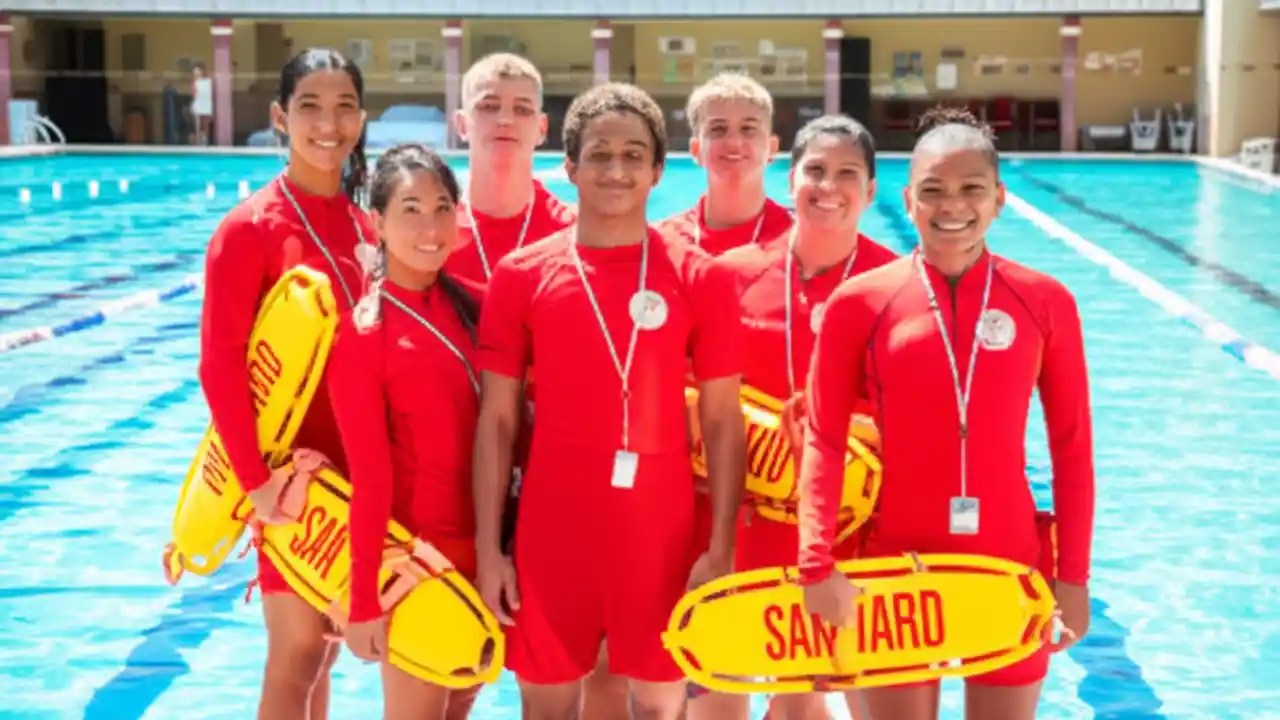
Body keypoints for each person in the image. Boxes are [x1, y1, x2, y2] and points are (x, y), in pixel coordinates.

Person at [796, 106, 1095, 720]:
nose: (951, 206)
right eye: (932, 190)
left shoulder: (1044, 302)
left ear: (999, 199)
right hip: (893, 560)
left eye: (971, 190)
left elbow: (1071, 446)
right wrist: (816, 562)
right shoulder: (862, 302)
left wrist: (1074, 577)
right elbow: (824, 437)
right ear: (908, 200)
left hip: (1009, 559)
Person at [472, 82, 746, 720]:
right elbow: (497, 421)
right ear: (569, 168)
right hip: (553, 529)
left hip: (660, 533)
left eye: (633, 154)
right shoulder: (521, 275)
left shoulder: (700, 277)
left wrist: (723, 547)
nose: (616, 170)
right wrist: (491, 551)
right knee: (547, 708)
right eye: (599, 154)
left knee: (659, 707)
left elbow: (723, 420)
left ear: (657, 168)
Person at [579, 71, 795, 720]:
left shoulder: (806, 245)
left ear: (773, 145)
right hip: (673, 509)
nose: (735, 143)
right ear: (693, 149)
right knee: (668, 684)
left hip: (774, 511)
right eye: (718, 130)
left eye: (749, 129)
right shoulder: (657, 248)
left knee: (790, 694)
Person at [194, 48, 371, 720]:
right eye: (310, 108)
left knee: (323, 649)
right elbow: (219, 365)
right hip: (287, 479)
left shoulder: (365, 227)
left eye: (344, 107)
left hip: (355, 469)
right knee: (295, 652)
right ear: (279, 117)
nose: (329, 123)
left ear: (361, 116)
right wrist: (257, 485)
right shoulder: (249, 229)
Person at [701, 115, 897, 720]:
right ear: (789, 180)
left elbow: (922, 416)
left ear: (870, 191)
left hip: (849, 528)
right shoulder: (731, 277)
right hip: (741, 518)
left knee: (824, 693)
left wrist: (858, 429)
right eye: (814, 171)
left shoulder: (897, 285)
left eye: (847, 174)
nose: (828, 187)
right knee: (715, 690)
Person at [327, 143, 483, 720]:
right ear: (376, 222)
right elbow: (371, 478)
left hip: (483, 556)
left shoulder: (475, 308)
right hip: (416, 564)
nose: (431, 226)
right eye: (411, 209)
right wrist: (365, 600)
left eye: (443, 207)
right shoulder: (364, 337)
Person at [448, 52, 576, 290]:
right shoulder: (434, 231)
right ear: (462, 124)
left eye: (523, 109)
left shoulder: (572, 231)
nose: (505, 119)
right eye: (489, 106)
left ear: (541, 128)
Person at [190, 62, 213, 145]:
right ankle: (198, 142)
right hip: (198, 104)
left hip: (206, 104)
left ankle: (205, 141)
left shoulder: (208, 81)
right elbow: (194, 94)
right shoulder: (194, 82)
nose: (196, 73)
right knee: (197, 124)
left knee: (205, 124)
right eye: (195, 72)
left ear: (202, 71)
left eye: (198, 71)